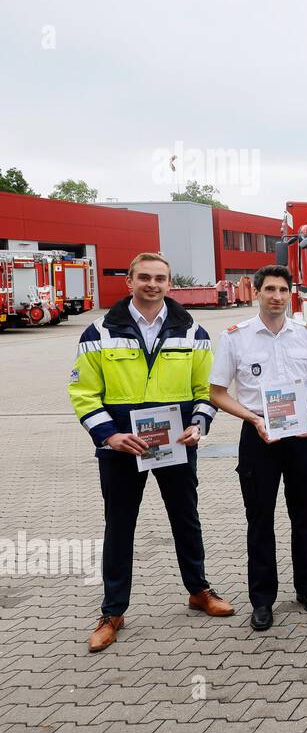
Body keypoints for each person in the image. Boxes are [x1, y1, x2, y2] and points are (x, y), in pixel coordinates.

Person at [69, 252, 233, 652]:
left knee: (186, 519)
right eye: (144, 277)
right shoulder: (98, 332)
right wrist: (110, 436)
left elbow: (205, 391)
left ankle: (198, 590)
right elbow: (83, 392)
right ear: (129, 280)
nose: (152, 284)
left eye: (160, 278)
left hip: (175, 446)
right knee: (119, 527)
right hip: (122, 448)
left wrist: (200, 425)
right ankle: (113, 611)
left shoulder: (192, 332)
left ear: (169, 284)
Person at [210, 265, 307, 631]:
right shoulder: (236, 337)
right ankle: (262, 600)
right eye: (269, 289)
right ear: (257, 293)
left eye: (283, 290)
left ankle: (305, 587)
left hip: (300, 437)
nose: (277, 296)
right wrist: (253, 419)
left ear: (290, 293)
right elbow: (216, 393)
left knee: (302, 516)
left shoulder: (305, 334)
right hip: (258, 436)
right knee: (260, 520)